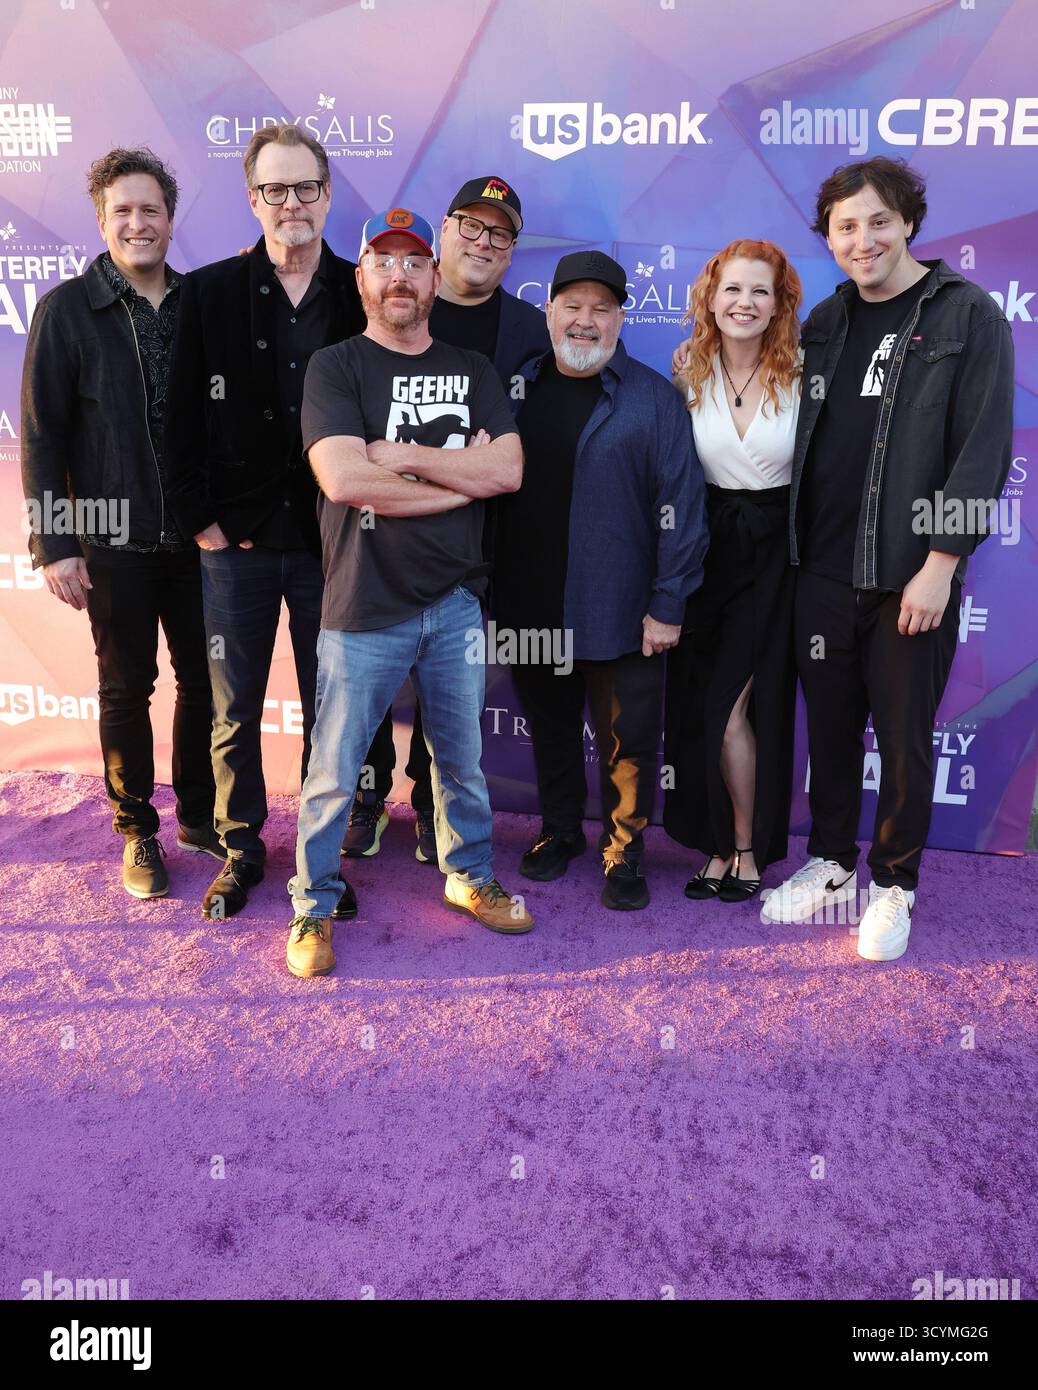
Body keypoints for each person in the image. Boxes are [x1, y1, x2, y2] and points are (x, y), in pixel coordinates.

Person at [761, 156, 1014, 961]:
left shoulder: (967, 316)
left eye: (877, 221)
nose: (862, 240)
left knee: (902, 739)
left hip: (911, 575)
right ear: (829, 240)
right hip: (822, 569)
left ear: (908, 221)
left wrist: (941, 563)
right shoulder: (827, 321)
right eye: (845, 227)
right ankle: (833, 862)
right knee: (830, 730)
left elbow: (983, 450)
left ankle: (894, 883)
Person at [285, 208, 533, 978]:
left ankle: (468, 876)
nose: (400, 276)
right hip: (363, 603)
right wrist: (455, 481)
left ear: (434, 277)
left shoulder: (473, 369)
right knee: (333, 771)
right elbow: (345, 479)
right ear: (361, 277)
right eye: (383, 262)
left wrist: (404, 459)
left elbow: (509, 472)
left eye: (414, 262)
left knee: (459, 760)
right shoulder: (336, 367)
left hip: (456, 602)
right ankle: (313, 907)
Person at [164, 123, 365, 920]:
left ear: (327, 194)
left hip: (335, 547)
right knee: (233, 708)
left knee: (332, 713)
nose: (292, 202)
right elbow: (175, 418)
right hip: (235, 547)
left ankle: (322, 861)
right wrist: (203, 526)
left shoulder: (361, 290)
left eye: (306, 186)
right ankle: (241, 851)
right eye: (275, 189)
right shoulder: (208, 293)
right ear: (253, 199)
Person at [20, 146, 218, 900]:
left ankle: (199, 820)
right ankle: (137, 831)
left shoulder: (202, 302)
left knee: (206, 687)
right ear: (103, 221)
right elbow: (42, 436)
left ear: (171, 220)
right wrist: (57, 544)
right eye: (123, 211)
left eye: (152, 210)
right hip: (114, 544)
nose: (138, 223)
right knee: (124, 690)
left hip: (200, 544)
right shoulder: (68, 310)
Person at [344, 176, 549, 866]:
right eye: (471, 225)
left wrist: (423, 465)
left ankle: (433, 809)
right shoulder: (384, 309)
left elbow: (507, 455)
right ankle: (368, 799)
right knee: (365, 677)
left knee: (448, 682)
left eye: (501, 233)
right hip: (374, 538)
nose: (484, 242)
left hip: (476, 538)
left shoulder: (527, 329)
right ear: (444, 236)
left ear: (513, 251)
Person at [496, 251, 708, 911]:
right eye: (573, 306)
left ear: (620, 318)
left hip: (621, 605)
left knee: (629, 743)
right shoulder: (515, 388)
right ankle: (560, 832)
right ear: (550, 312)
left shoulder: (653, 399)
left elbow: (684, 509)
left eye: (601, 309)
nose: (585, 321)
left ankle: (625, 851)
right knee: (551, 727)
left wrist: (668, 602)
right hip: (530, 603)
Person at [664, 240, 802, 903]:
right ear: (710, 298)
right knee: (699, 707)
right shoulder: (689, 372)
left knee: (733, 712)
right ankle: (717, 843)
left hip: (775, 559)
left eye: (760, 291)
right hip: (705, 556)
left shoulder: (805, 372)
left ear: (779, 304)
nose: (745, 303)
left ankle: (744, 846)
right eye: (733, 290)